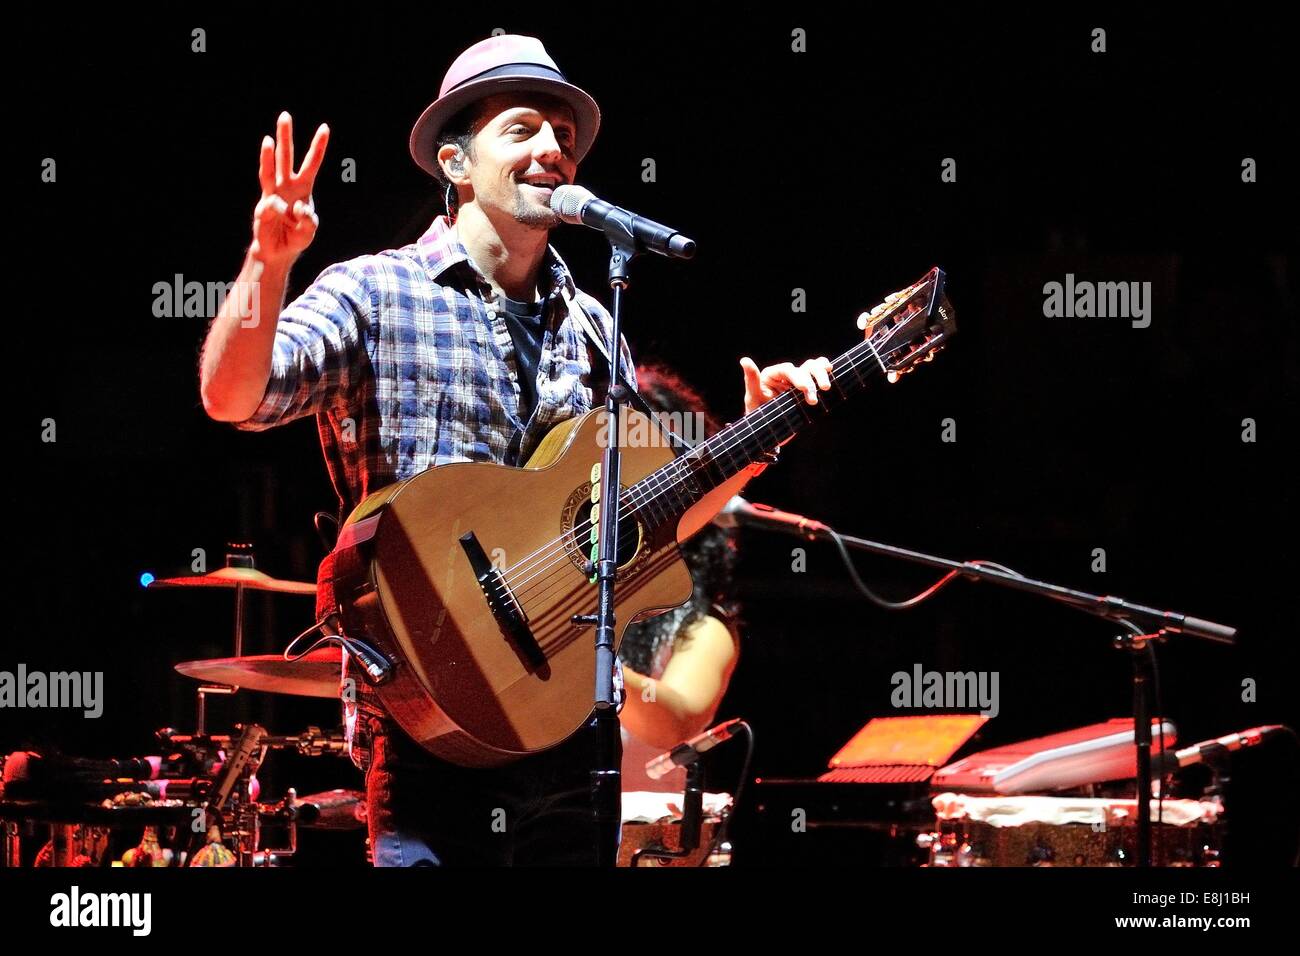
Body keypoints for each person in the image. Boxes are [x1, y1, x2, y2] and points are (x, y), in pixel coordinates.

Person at [198, 34, 833, 866]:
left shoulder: (595, 323)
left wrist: (751, 441)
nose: (553, 151)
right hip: (431, 729)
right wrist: (267, 263)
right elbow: (233, 397)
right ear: (457, 163)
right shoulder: (376, 290)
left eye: (564, 138)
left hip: (568, 728)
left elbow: (649, 522)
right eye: (524, 128)